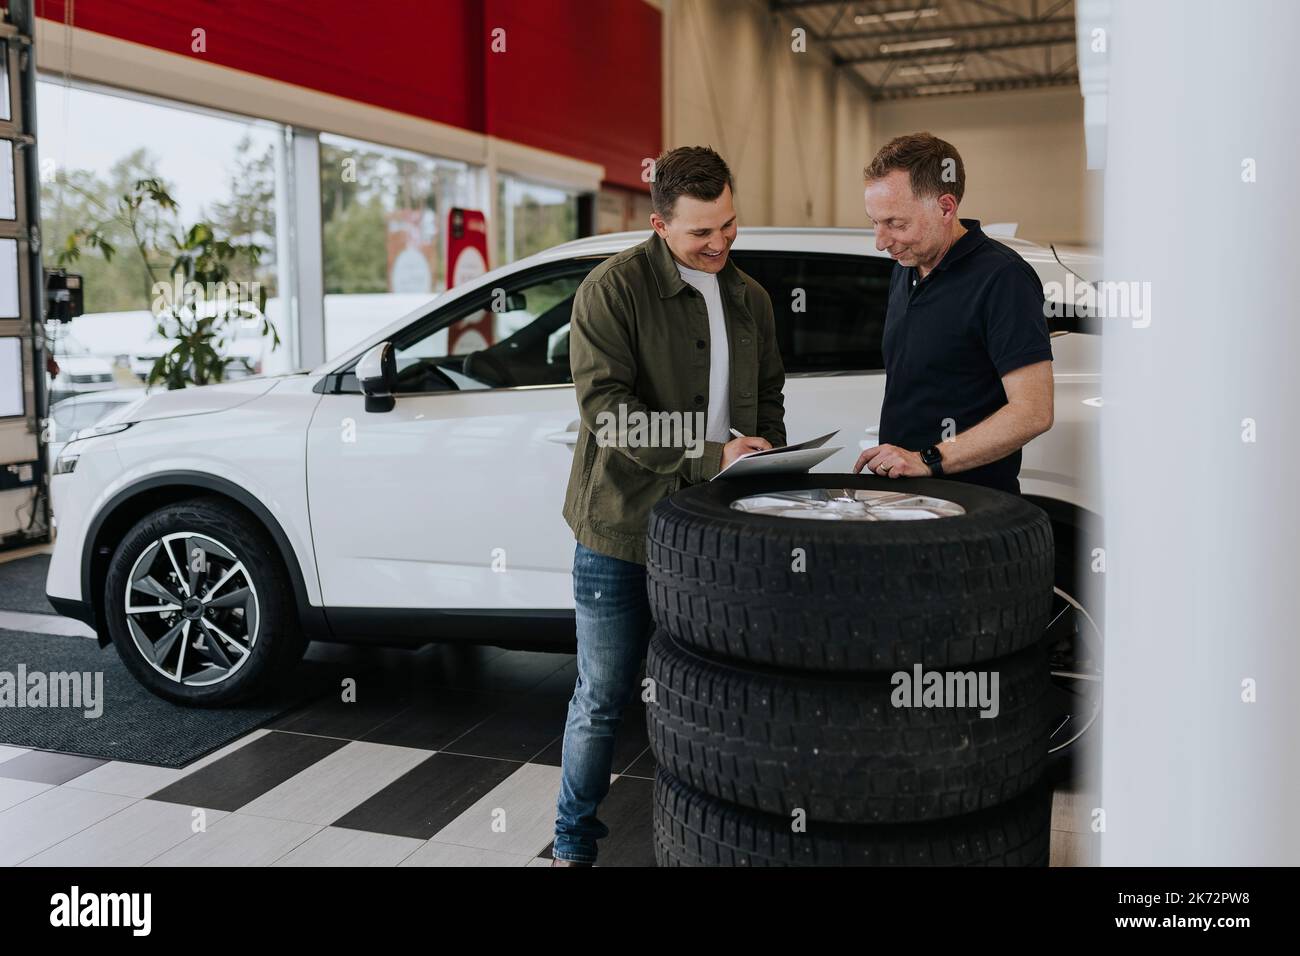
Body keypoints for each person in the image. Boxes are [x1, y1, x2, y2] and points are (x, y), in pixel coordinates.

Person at [552, 145, 786, 865]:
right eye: (699, 234)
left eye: (729, 225)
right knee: (603, 696)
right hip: (621, 530)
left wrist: (768, 449)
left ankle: (702, 839)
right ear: (659, 224)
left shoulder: (750, 298)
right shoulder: (612, 290)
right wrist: (710, 454)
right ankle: (571, 844)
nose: (719, 244)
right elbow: (610, 415)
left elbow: (770, 394)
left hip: (716, 534)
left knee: (706, 695)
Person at [854, 132, 1053, 493]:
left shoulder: (1002, 278)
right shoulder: (905, 268)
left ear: (946, 208)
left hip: (970, 507)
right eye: (874, 222)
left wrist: (928, 458)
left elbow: (1033, 411)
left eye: (897, 224)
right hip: (905, 500)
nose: (881, 242)